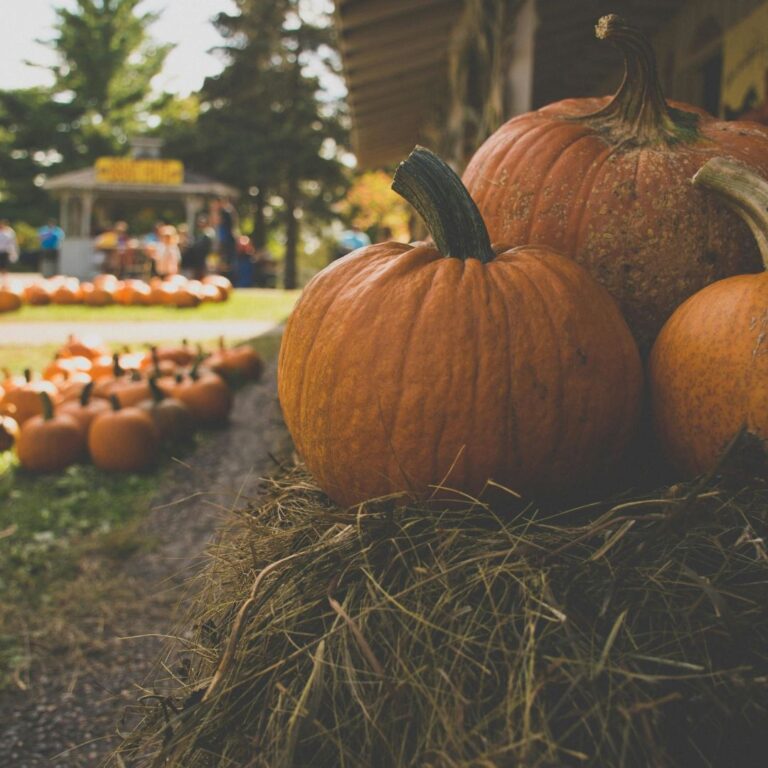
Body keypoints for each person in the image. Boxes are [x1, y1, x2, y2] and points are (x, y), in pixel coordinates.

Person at [183, 214, 215, 280]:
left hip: (204, 257)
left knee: (203, 274)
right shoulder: (200, 233)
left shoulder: (208, 233)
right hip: (198, 259)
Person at [215, 197, 238, 274]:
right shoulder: (230, 211)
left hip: (226, 240)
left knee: (226, 260)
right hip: (227, 239)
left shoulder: (225, 212)